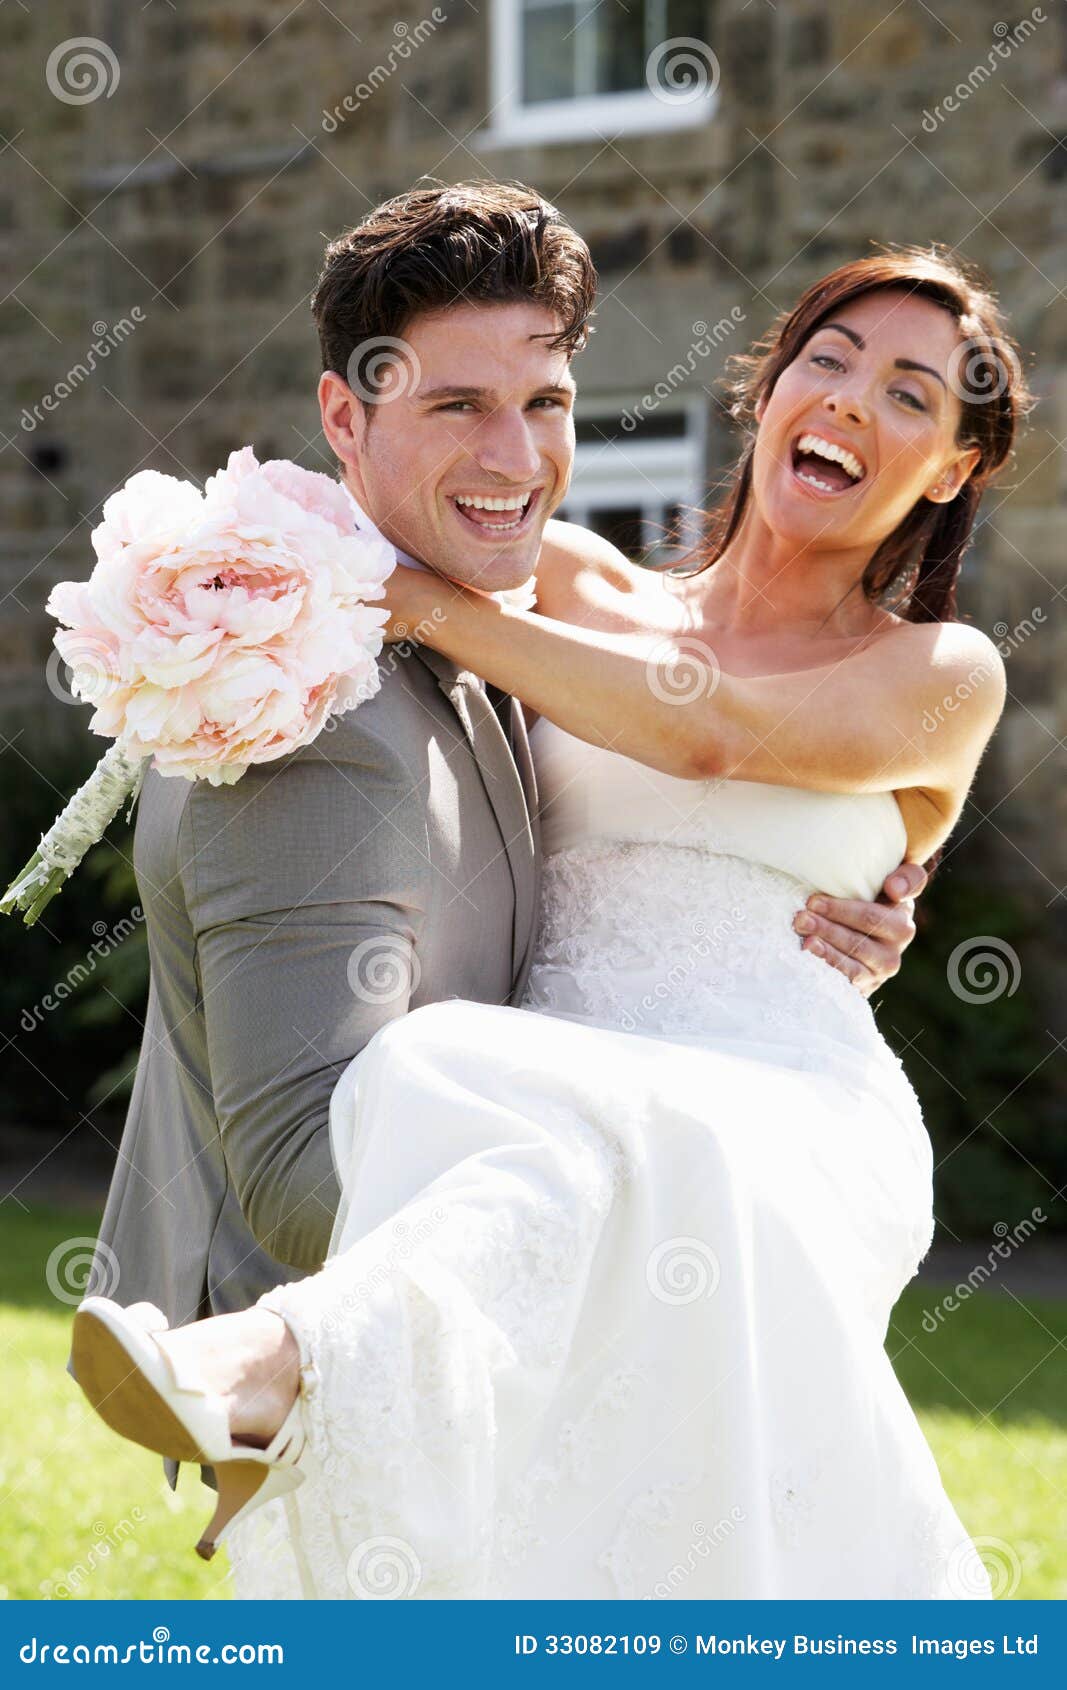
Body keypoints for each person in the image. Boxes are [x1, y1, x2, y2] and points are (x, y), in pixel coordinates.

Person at [74, 203, 1016, 1600]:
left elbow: (708, 737)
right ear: (771, 390)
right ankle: (296, 1384)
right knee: (483, 1113)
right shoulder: (570, 581)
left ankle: (281, 1369)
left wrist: (415, 601)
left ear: (948, 470)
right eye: (834, 357)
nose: (853, 402)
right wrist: (217, 595)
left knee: (622, 1137)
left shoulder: (946, 667)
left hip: (786, 1096)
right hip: (542, 1069)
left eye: (912, 395)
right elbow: (394, 482)